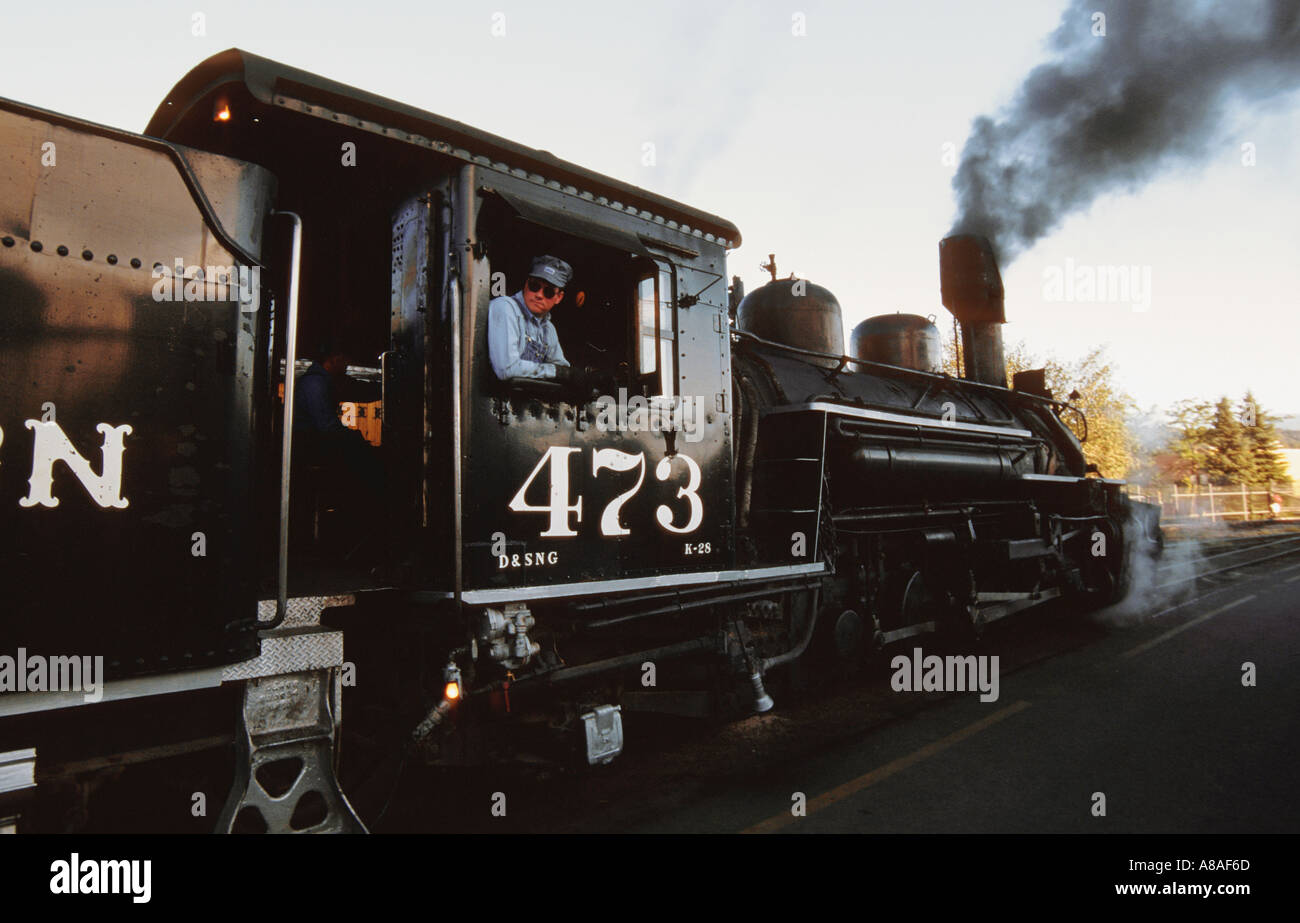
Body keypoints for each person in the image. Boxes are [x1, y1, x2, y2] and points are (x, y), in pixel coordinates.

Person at [488, 255, 573, 381]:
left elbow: (562, 367)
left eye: (548, 292)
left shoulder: (548, 329)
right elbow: (506, 369)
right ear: (526, 284)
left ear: (559, 297)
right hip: (496, 398)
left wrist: (569, 374)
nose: (539, 295)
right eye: (534, 286)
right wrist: (557, 372)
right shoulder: (505, 307)